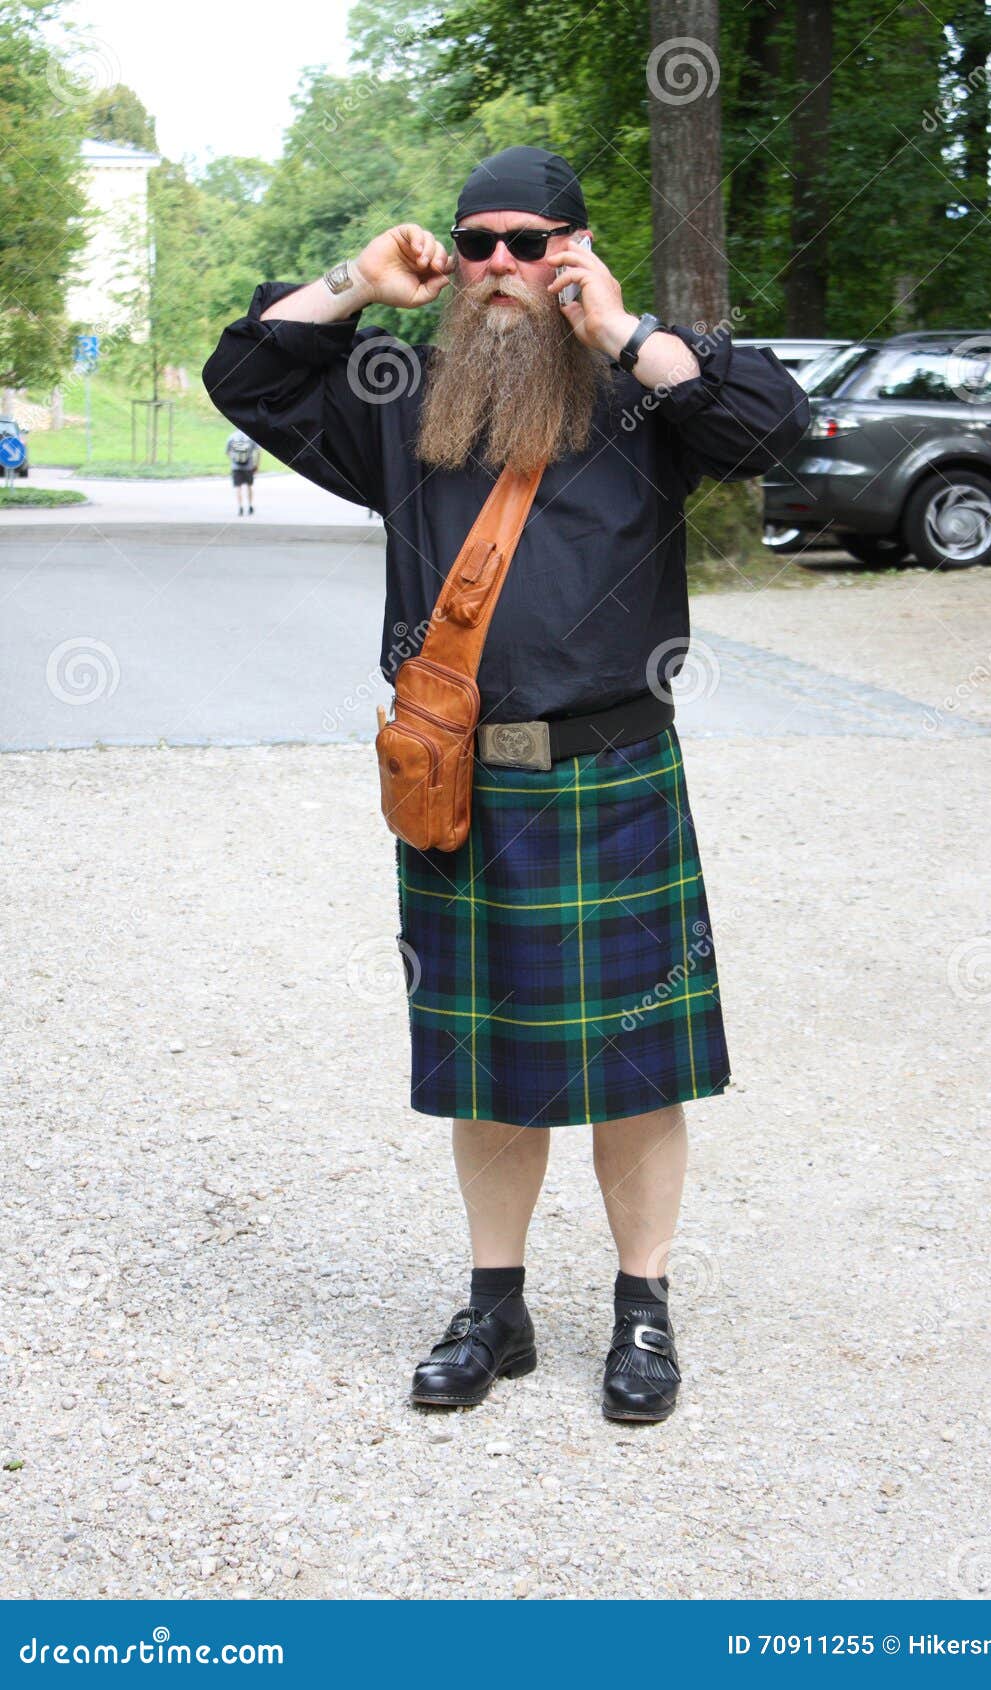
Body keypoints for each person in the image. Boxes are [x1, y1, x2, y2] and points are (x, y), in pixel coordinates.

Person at [202, 145, 810, 1422]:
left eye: (526, 244)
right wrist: (359, 280)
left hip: (610, 772)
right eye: (476, 243)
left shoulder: (645, 397)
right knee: (483, 1063)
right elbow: (247, 372)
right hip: (460, 788)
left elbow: (775, 426)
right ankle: (497, 1305)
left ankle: (641, 1308)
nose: (495, 266)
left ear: (571, 251)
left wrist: (627, 326)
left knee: (635, 1067)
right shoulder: (399, 398)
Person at [225, 427, 260, 514]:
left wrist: (234, 459)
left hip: (235, 467)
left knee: (238, 487)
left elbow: (227, 452)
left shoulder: (231, 437)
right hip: (249, 466)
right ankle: (250, 506)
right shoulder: (250, 437)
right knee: (249, 486)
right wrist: (256, 464)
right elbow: (258, 451)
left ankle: (240, 507)